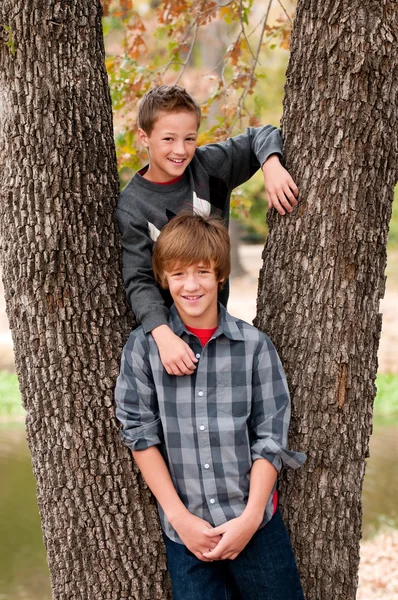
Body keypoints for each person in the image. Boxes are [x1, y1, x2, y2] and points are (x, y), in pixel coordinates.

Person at [115, 214, 306, 600]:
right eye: (179, 273)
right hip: (188, 536)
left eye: (202, 271)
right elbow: (139, 435)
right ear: (164, 278)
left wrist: (250, 519)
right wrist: (180, 519)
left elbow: (271, 437)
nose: (191, 285)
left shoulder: (253, 346)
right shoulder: (144, 348)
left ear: (219, 275)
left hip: (255, 528)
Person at [116, 84, 298, 377]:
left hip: (219, 322)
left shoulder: (208, 166)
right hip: (174, 338)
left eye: (190, 138)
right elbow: (138, 279)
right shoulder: (133, 206)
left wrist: (271, 164)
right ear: (143, 137)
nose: (181, 150)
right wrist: (163, 337)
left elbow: (260, 135)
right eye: (168, 139)